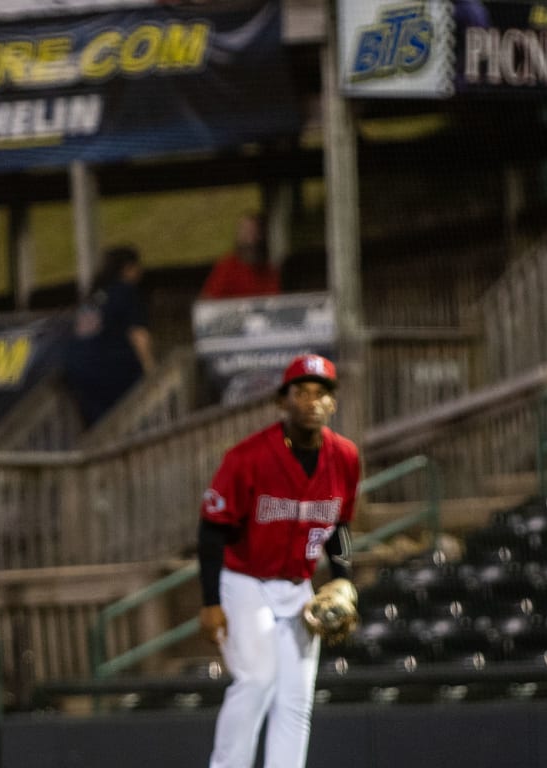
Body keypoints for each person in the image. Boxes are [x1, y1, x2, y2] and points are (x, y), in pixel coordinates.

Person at [196, 354, 361, 768]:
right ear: (281, 401)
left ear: (333, 403)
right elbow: (212, 528)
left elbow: (339, 525)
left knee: (296, 698)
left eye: (320, 393)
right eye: (300, 392)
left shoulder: (345, 457)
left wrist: (343, 579)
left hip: (297, 586)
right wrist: (210, 601)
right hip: (244, 580)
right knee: (256, 680)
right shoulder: (247, 457)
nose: (311, 401)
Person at [63, 245, 156, 427]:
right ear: (129, 268)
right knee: (126, 424)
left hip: (79, 372)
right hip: (112, 371)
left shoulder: (93, 297)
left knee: (99, 426)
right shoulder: (125, 292)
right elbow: (139, 335)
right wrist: (151, 371)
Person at [199, 214, 280, 299]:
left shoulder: (270, 269)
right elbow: (208, 302)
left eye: (254, 232)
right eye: (246, 232)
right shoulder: (226, 267)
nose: (251, 239)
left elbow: (276, 300)